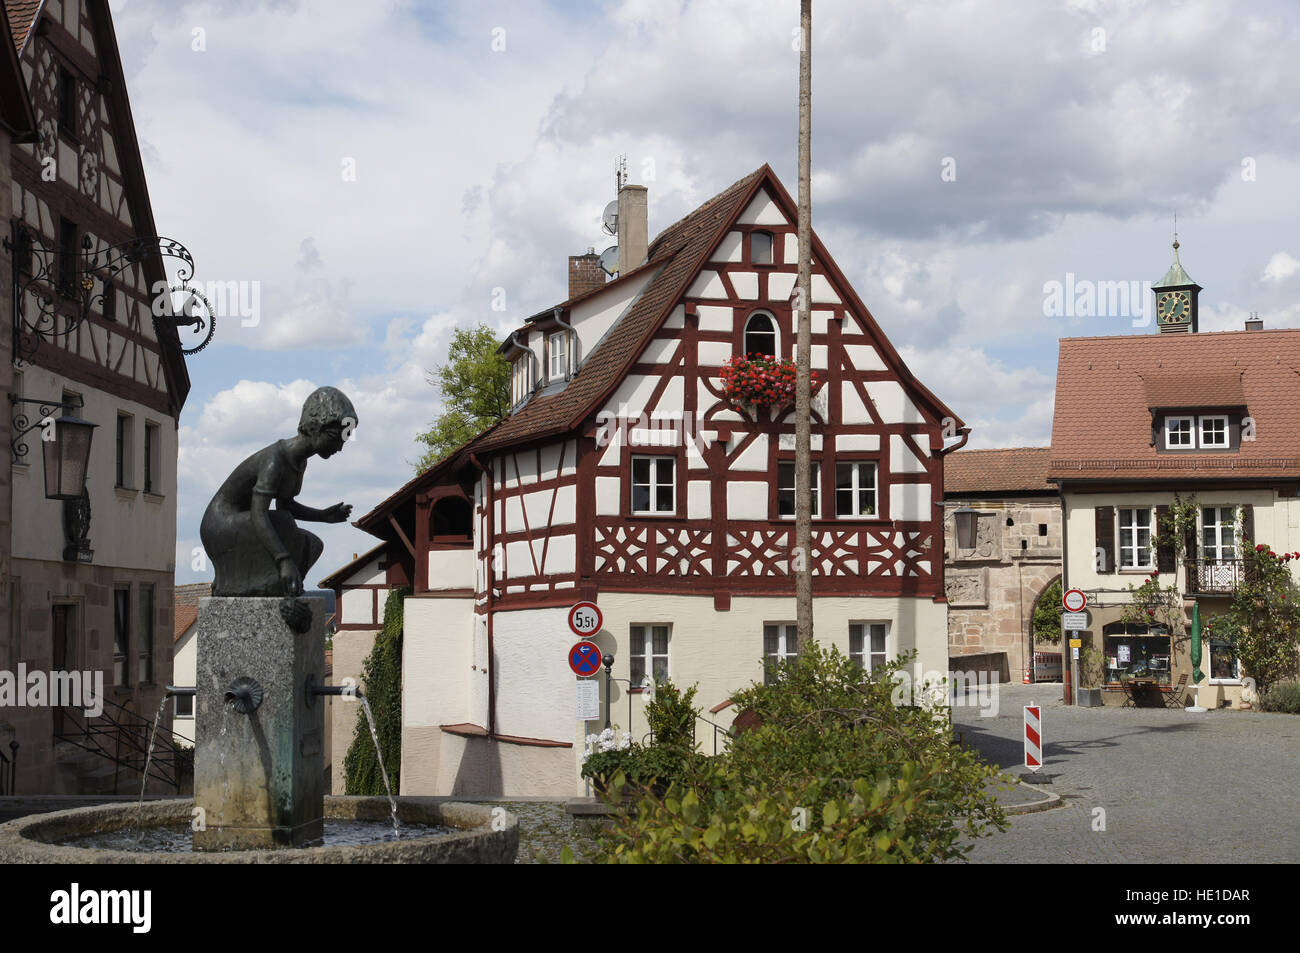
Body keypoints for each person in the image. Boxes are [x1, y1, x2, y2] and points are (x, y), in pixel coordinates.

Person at [200, 387, 356, 597]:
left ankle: (283, 586)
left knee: (312, 545)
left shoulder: (299, 461)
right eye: (335, 436)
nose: (339, 447)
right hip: (220, 525)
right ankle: (259, 582)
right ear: (314, 427)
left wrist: (323, 516)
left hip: (245, 522)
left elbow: (286, 505)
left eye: (344, 440)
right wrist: (284, 560)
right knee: (283, 523)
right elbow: (259, 513)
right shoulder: (275, 459)